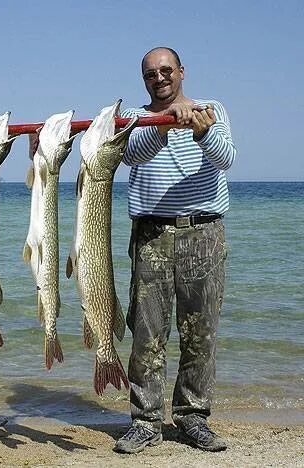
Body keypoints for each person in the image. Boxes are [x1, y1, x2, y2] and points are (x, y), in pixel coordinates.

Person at [113, 47, 236, 454]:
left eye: (167, 70)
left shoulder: (211, 108)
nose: (160, 78)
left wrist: (200, 132)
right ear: (143, 80)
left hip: (204, 233)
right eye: (151, 74)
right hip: (151, 236)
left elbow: (227, 158)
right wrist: (163, 126)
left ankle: (192, 418)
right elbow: (130, 155)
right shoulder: (135, 118)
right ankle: (145, 420)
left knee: (201, 333)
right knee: (147, 333)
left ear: (182, 71)